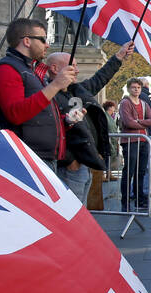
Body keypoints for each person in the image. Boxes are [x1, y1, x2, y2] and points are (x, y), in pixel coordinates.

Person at [0, 18, 78, 171]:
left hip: (41, 157)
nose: (47, 44)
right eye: (43, 39)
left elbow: (39, 115)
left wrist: (67, 121)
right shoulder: (6, 69)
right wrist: (56, 85)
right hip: (27, 158)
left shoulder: (30, 70)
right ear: (27, 41)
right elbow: (15, 114)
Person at [43, 45, 128, 204]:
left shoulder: (76, 89)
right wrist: (70, 160)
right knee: (71, 216)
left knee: (81, 213)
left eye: (76, 66)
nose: (76, 70)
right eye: (72, 66)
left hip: (84, 164)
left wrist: (118, 57)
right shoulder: (47, 95)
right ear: (54, 68)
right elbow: (49, 132)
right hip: (70, 167)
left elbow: (100, 78)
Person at [118, 77, 151, 213]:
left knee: (141, 172)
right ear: (129, 88)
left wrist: (139, 121)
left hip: (143, 141)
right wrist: (142, 123)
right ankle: (125, 203)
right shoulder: (125, 103)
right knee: (129, 172)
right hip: (130, 141)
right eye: (134, 87)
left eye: (138, 87)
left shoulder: (144, 104)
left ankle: (140, 201)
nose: (136, 90)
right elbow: (128, 122)